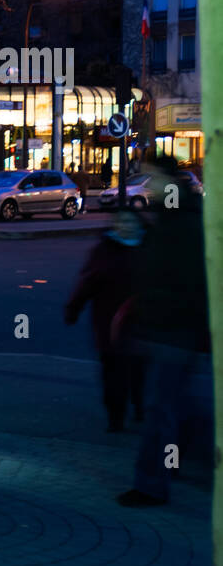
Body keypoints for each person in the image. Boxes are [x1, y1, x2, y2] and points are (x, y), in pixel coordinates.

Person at [114, 155, 212, 507]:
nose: (148, 186)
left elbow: (185, 282)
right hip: (169, 329)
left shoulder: (181, 223)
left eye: (151, 178)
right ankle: (179, 463)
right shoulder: (174, 217)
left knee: (163, 410)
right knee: (179, 406)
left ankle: (152, 484)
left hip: (173, 330)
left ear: (169, 180)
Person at [63, 208, 147, 432]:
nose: (127, 226)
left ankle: (139, 405)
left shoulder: (150, 250)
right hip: (109, 323)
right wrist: (73, 308)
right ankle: (115, 416)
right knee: (112, 371)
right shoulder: (104, 251)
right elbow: (87, 283)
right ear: (114, 226)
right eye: (122, 221)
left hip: (143, 322)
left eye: (131, 221)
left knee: (139, 369)